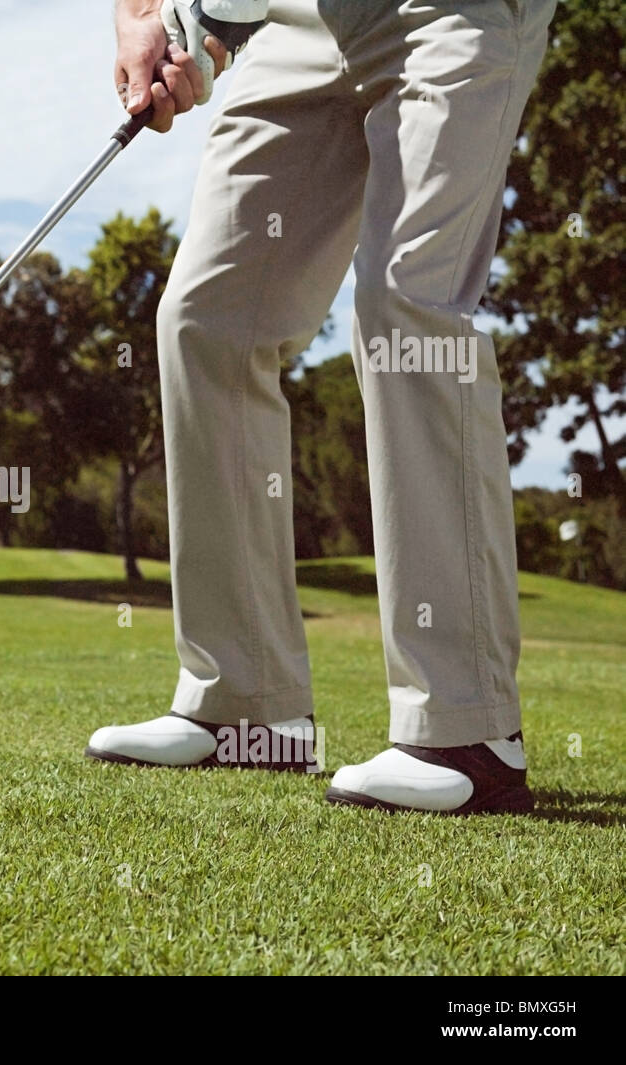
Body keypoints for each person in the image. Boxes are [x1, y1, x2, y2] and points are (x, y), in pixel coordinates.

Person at [86, 0, 556, 814]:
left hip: (454, 10)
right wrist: (149, 15)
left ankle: (467, 725)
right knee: (208, 319)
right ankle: (245, 706)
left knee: (410, 303)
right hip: (304, 20)